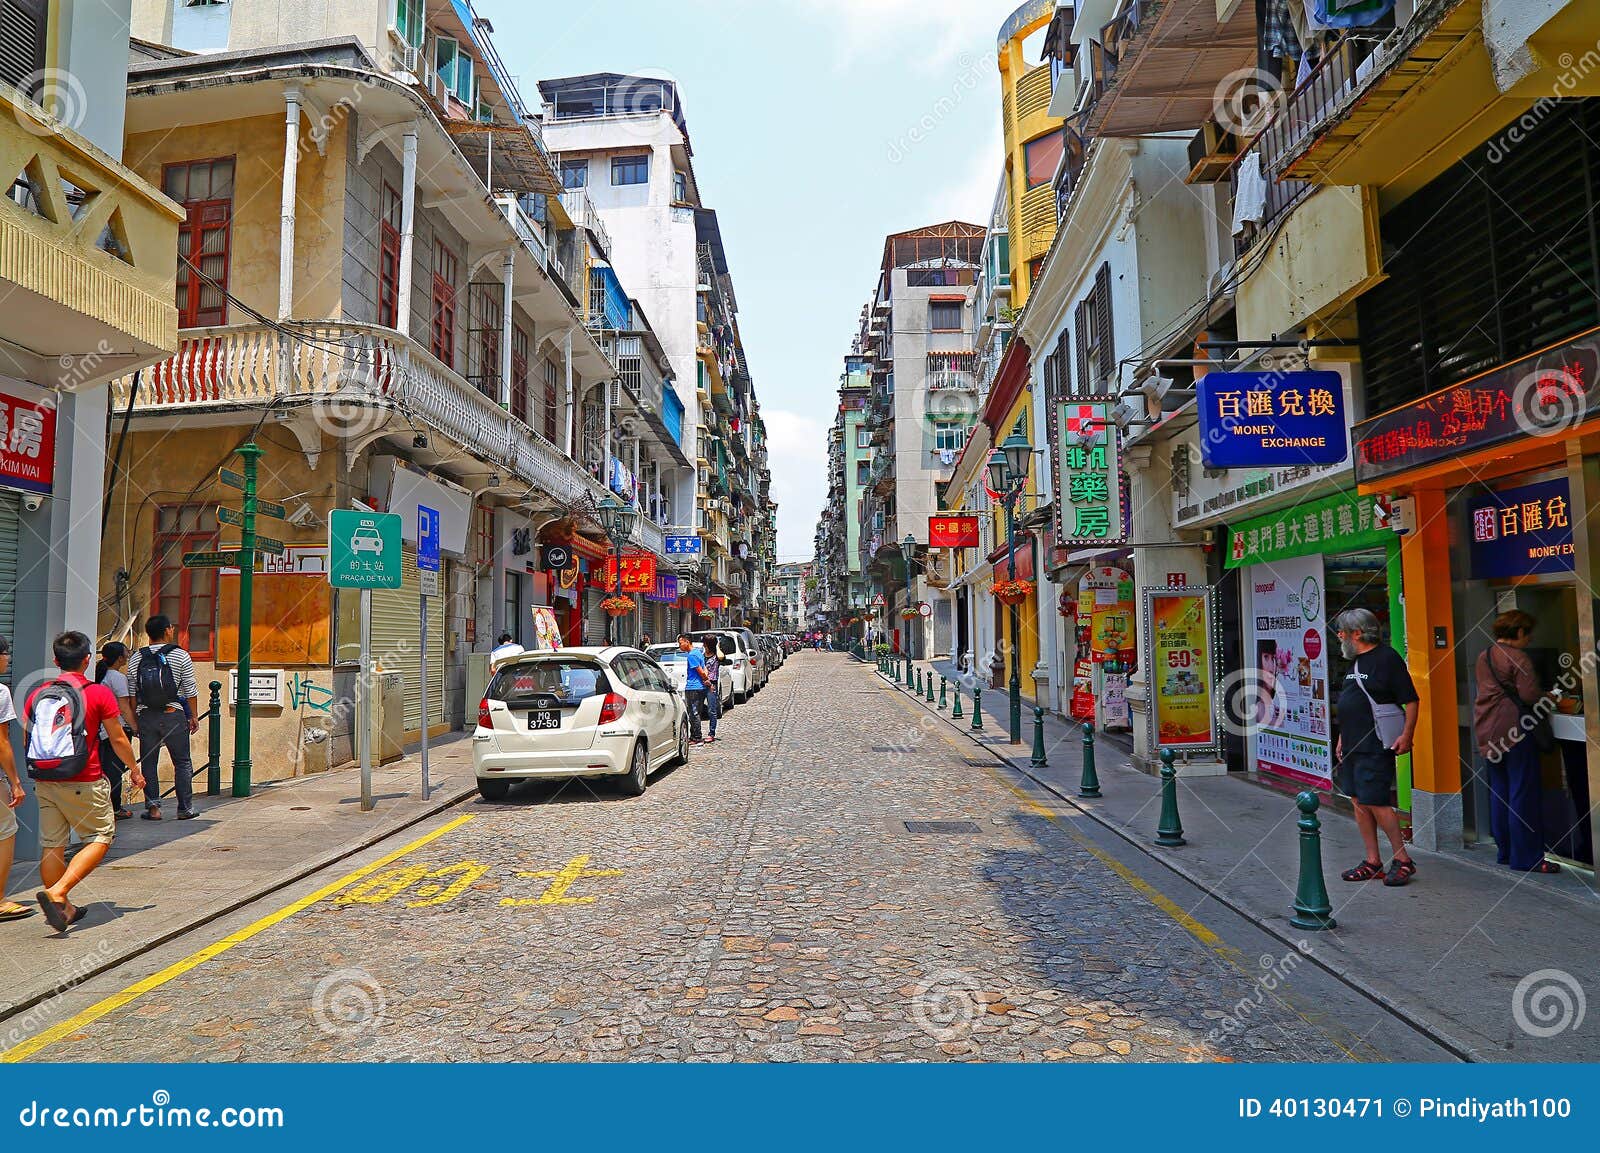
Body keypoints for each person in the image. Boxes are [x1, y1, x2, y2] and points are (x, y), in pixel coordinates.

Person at [25, 631, 143, 932]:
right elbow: (117, 738)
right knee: (101, 837)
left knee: (53, 844)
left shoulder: (38, 693)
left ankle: (63, 910)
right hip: (83, 777)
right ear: (87, 659)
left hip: (44, 778)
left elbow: (30, 737)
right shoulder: (97, 692)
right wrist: (135, 769)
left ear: (55, 660)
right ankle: (58, 892)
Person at [1333, 608, 1419, 886]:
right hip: (1353, 744)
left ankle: (1402, 858)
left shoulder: (1387, 659)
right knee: (1358, 800)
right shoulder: (1355, 662)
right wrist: (1342, 739)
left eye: (1342, 632)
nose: (1339, 636)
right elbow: (1354, 702)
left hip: (1376, 743)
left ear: (1357, 633)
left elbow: (1411, 700)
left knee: (1377, 802)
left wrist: (1407, 735)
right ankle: (1373, 860)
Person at [1473, 610, 1561, 874]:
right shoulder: (1519, 657)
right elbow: (1529, 694)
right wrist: (1552, 696)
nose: (1530, 638)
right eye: (1528, 632)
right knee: (1523, 793)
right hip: (1514, 731)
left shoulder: (1484, 655)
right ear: (1519, 632)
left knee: (1500, 792)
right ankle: (1526, 857)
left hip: (1488, 730)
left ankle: (1506, 851)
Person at [128, 615, 199, 821]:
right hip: (173, 714)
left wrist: (135, 720)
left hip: (146, 715)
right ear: (168, 630)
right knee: (183, 762)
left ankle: (153, 809)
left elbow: (132, 693)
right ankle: (184, 808)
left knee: (149, 763)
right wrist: (193, 716)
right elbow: (190, 690)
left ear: (148, 633)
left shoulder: (136, 658)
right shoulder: (181, 655)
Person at [0, 634, 32, 921]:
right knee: (5, 831)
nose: (8, 659)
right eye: (6, 654)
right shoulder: (0, 692)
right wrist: (15, 782)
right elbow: (2, 742)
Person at [95, 642, 136, 821]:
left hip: (101, 730)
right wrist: (135, 726)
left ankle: (108, 806)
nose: (128, 655)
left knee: (107, 768)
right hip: (116, 728)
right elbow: (124, 707)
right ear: (120, 657)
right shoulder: (117, 678)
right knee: (115, 770)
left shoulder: (101, 676)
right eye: (126, 652)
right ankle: (115, 807)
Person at [680, 633, 710, 744]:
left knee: (693, 713)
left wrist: (705, 678)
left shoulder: (692, 655)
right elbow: (705, 668)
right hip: (699, 687)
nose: (680, 645)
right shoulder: (698, 652)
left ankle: (697, 737)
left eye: (681, 642)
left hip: (693, 687)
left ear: (687, 642)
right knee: (695, 712)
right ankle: (694, 736)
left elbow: (701, 671)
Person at [700, 637, 721, 744]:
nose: (704, 646)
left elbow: (722, 657)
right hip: (701, 684)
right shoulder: (702, 655)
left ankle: (711, 733)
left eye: (706, 644)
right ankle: (696, 734)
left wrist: (717, 646)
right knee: (697, 709)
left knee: (711, 710)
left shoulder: (717, 656)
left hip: (712, 685)